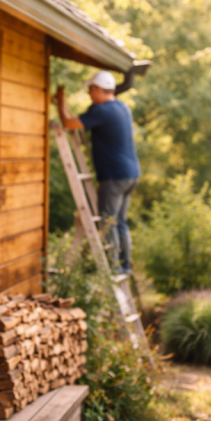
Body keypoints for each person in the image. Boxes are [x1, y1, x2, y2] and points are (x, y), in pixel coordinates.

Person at [54, 70, 141, 274]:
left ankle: (115, 267)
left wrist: (59, 101)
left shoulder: (102, 112)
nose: (89, 94)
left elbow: (68, 123)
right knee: (120, 221)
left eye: (91, 90)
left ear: (100, 89)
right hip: (131, 174)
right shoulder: (122, 107)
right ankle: (124, 265)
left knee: (108, 221)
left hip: (114, 177)